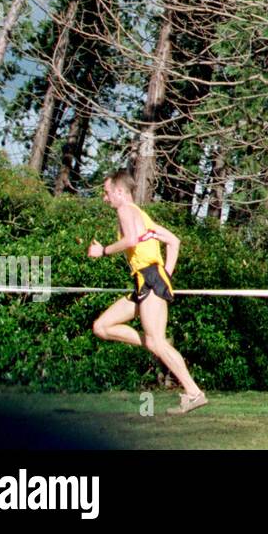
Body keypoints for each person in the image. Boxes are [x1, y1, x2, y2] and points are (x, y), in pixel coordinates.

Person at [88, 169, 207, 415]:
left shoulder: (125, 211)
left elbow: (131, 240)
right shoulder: (142, 216)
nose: (105, 197)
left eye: (107, 192)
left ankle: (194, 393)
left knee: (156, 341)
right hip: (147, 280)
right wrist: (166, 276)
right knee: (102, 327)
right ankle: (156, 344)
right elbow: (174, 241)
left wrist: (104, 251)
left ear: (120, 192)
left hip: (150, 279)